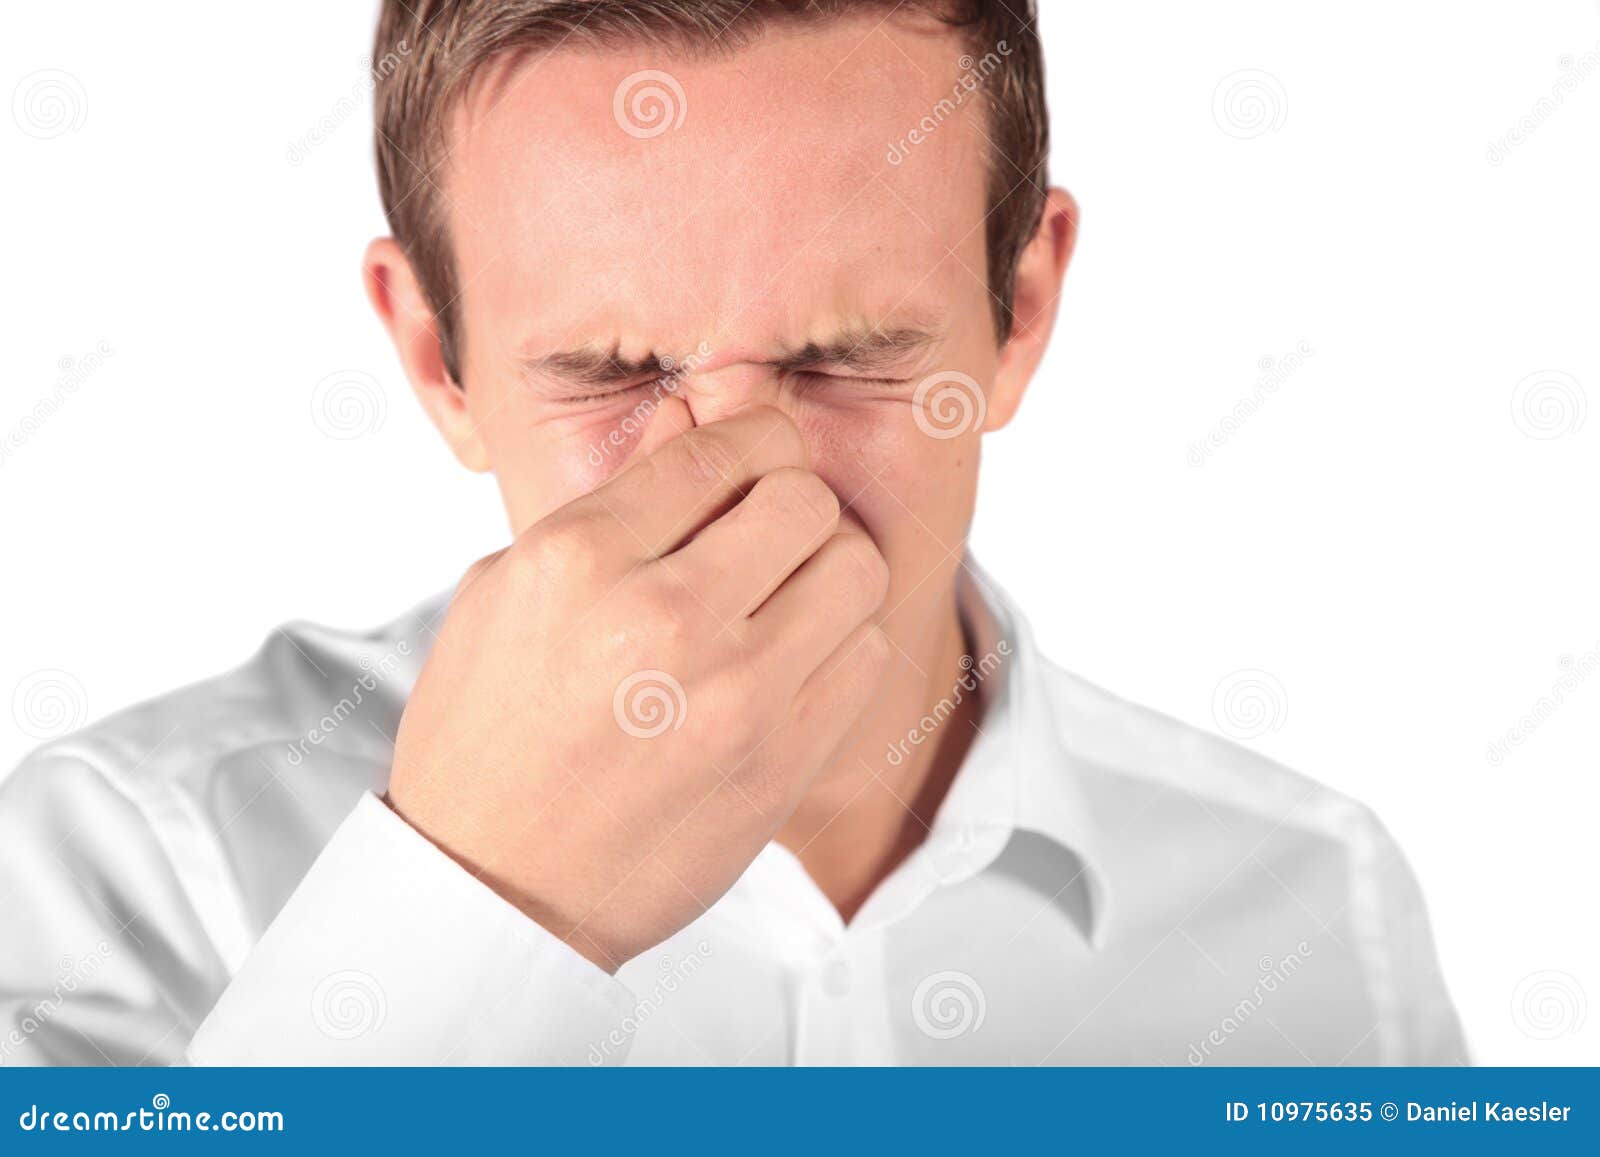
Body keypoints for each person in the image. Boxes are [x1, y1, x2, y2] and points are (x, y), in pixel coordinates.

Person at [0, 0, 1464, 1066]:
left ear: (1019, 311)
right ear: (437, 358)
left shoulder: (1315, 898)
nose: (750, 484)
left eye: (849, 357)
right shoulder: (133, 864)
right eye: (614, 374)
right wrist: (482, 904)